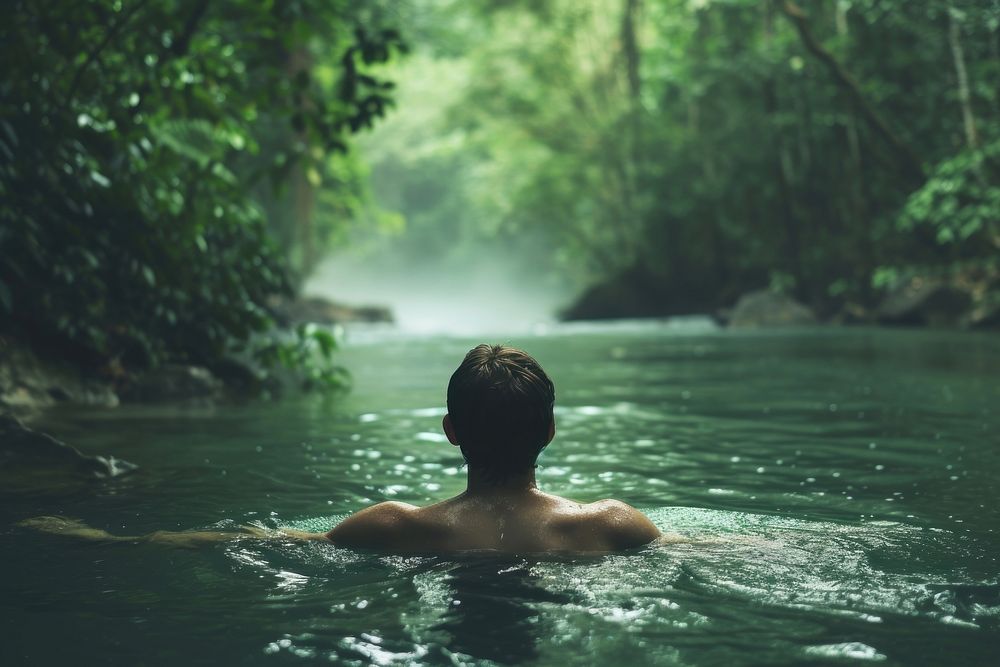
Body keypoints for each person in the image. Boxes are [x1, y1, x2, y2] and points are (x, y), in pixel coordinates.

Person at [21, 344, 664, 553]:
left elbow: (258, 539)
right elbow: (739, 548)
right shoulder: (609, 526)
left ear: (451, 431)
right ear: (549, 434)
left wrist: (99, 539)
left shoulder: (393, 527)